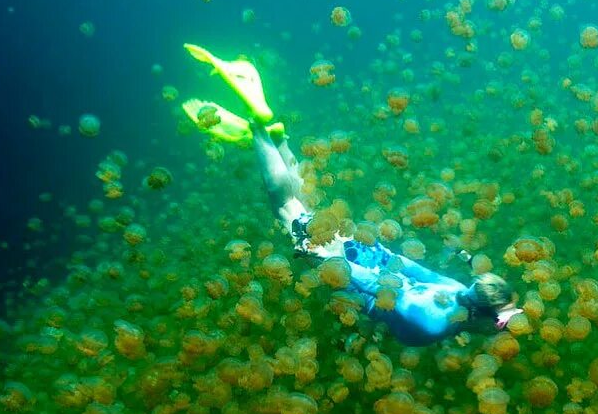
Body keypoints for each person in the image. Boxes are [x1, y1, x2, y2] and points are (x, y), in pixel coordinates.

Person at [181, 44, 524, 346]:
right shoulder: (433, 323)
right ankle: (259, 124)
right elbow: (378, 288)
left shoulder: (453, 290)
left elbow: (408, 266)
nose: (501, 330)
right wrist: (326, 259)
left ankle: (278, 136)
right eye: (503, 324)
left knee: (306, 207)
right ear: (487, 316)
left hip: (374, 256)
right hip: (355, 270)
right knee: (287, 208)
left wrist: (373, 251)